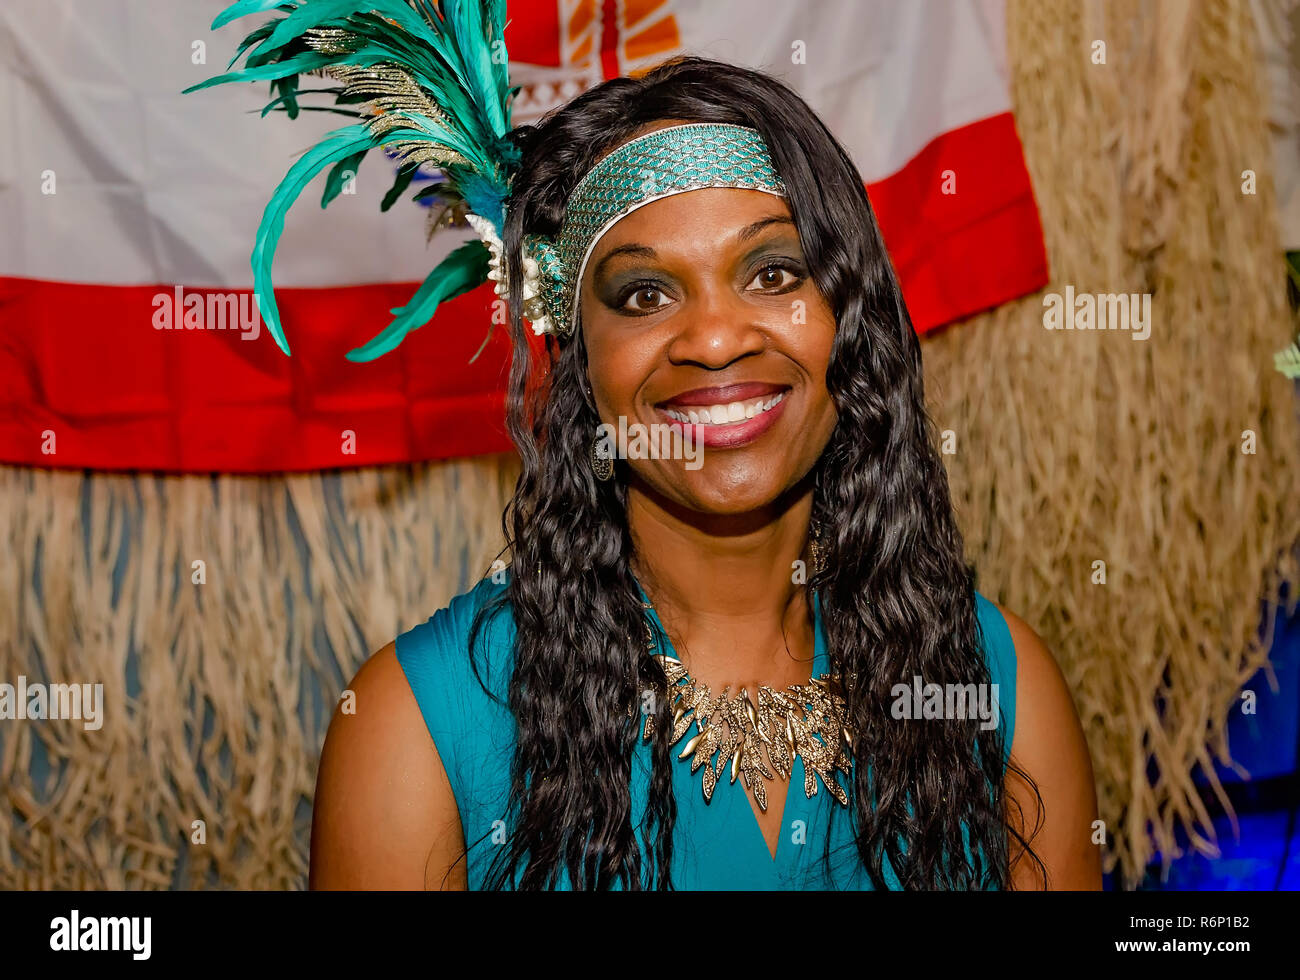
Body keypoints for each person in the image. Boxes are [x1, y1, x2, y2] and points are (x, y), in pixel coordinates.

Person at [306, 57, 1102, 891]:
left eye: (773, 274)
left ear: (851, 317)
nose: (716, 340)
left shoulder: (998, 687)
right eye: (644, 295)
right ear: (582, 364)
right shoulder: (419, 726)